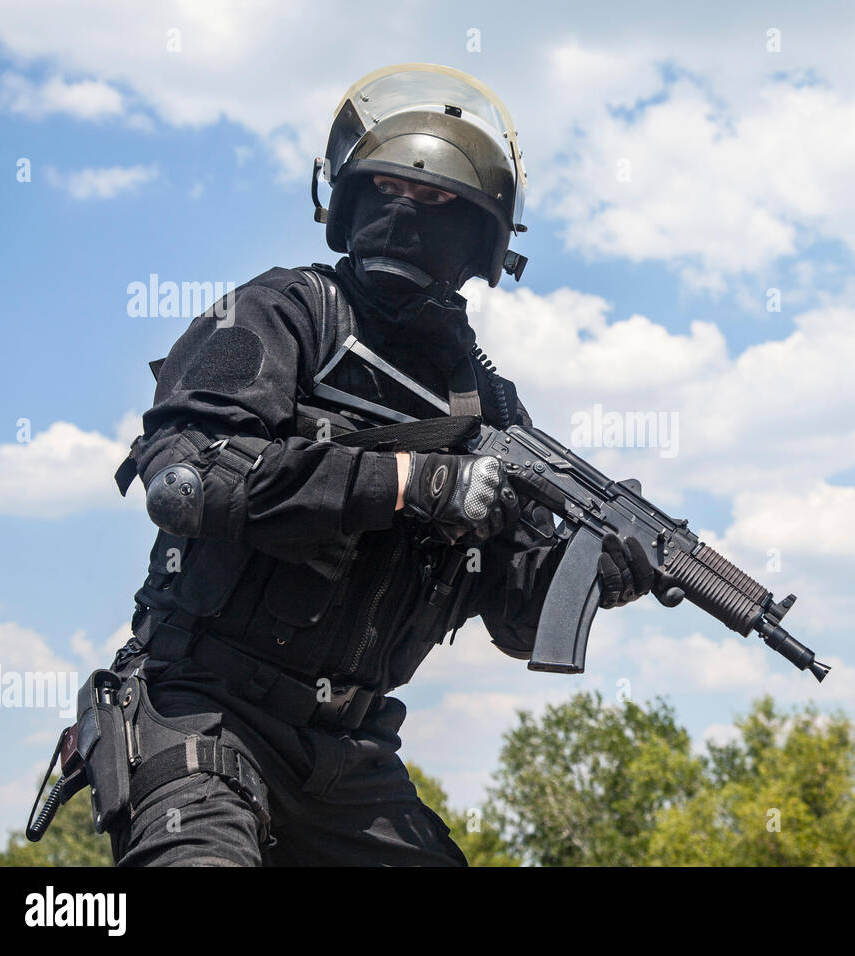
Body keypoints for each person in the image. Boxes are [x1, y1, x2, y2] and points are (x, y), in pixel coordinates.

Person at [103, 63, 657, 866]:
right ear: (349, 202)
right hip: (198, 709)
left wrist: (600, 571)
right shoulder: (282, 312)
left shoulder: (492, 414)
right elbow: (192, 479)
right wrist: (412, 484)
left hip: (350, 753)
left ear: (481, 235)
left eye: (436, 203)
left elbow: (517, 620)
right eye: (388, 193)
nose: (406, 216)